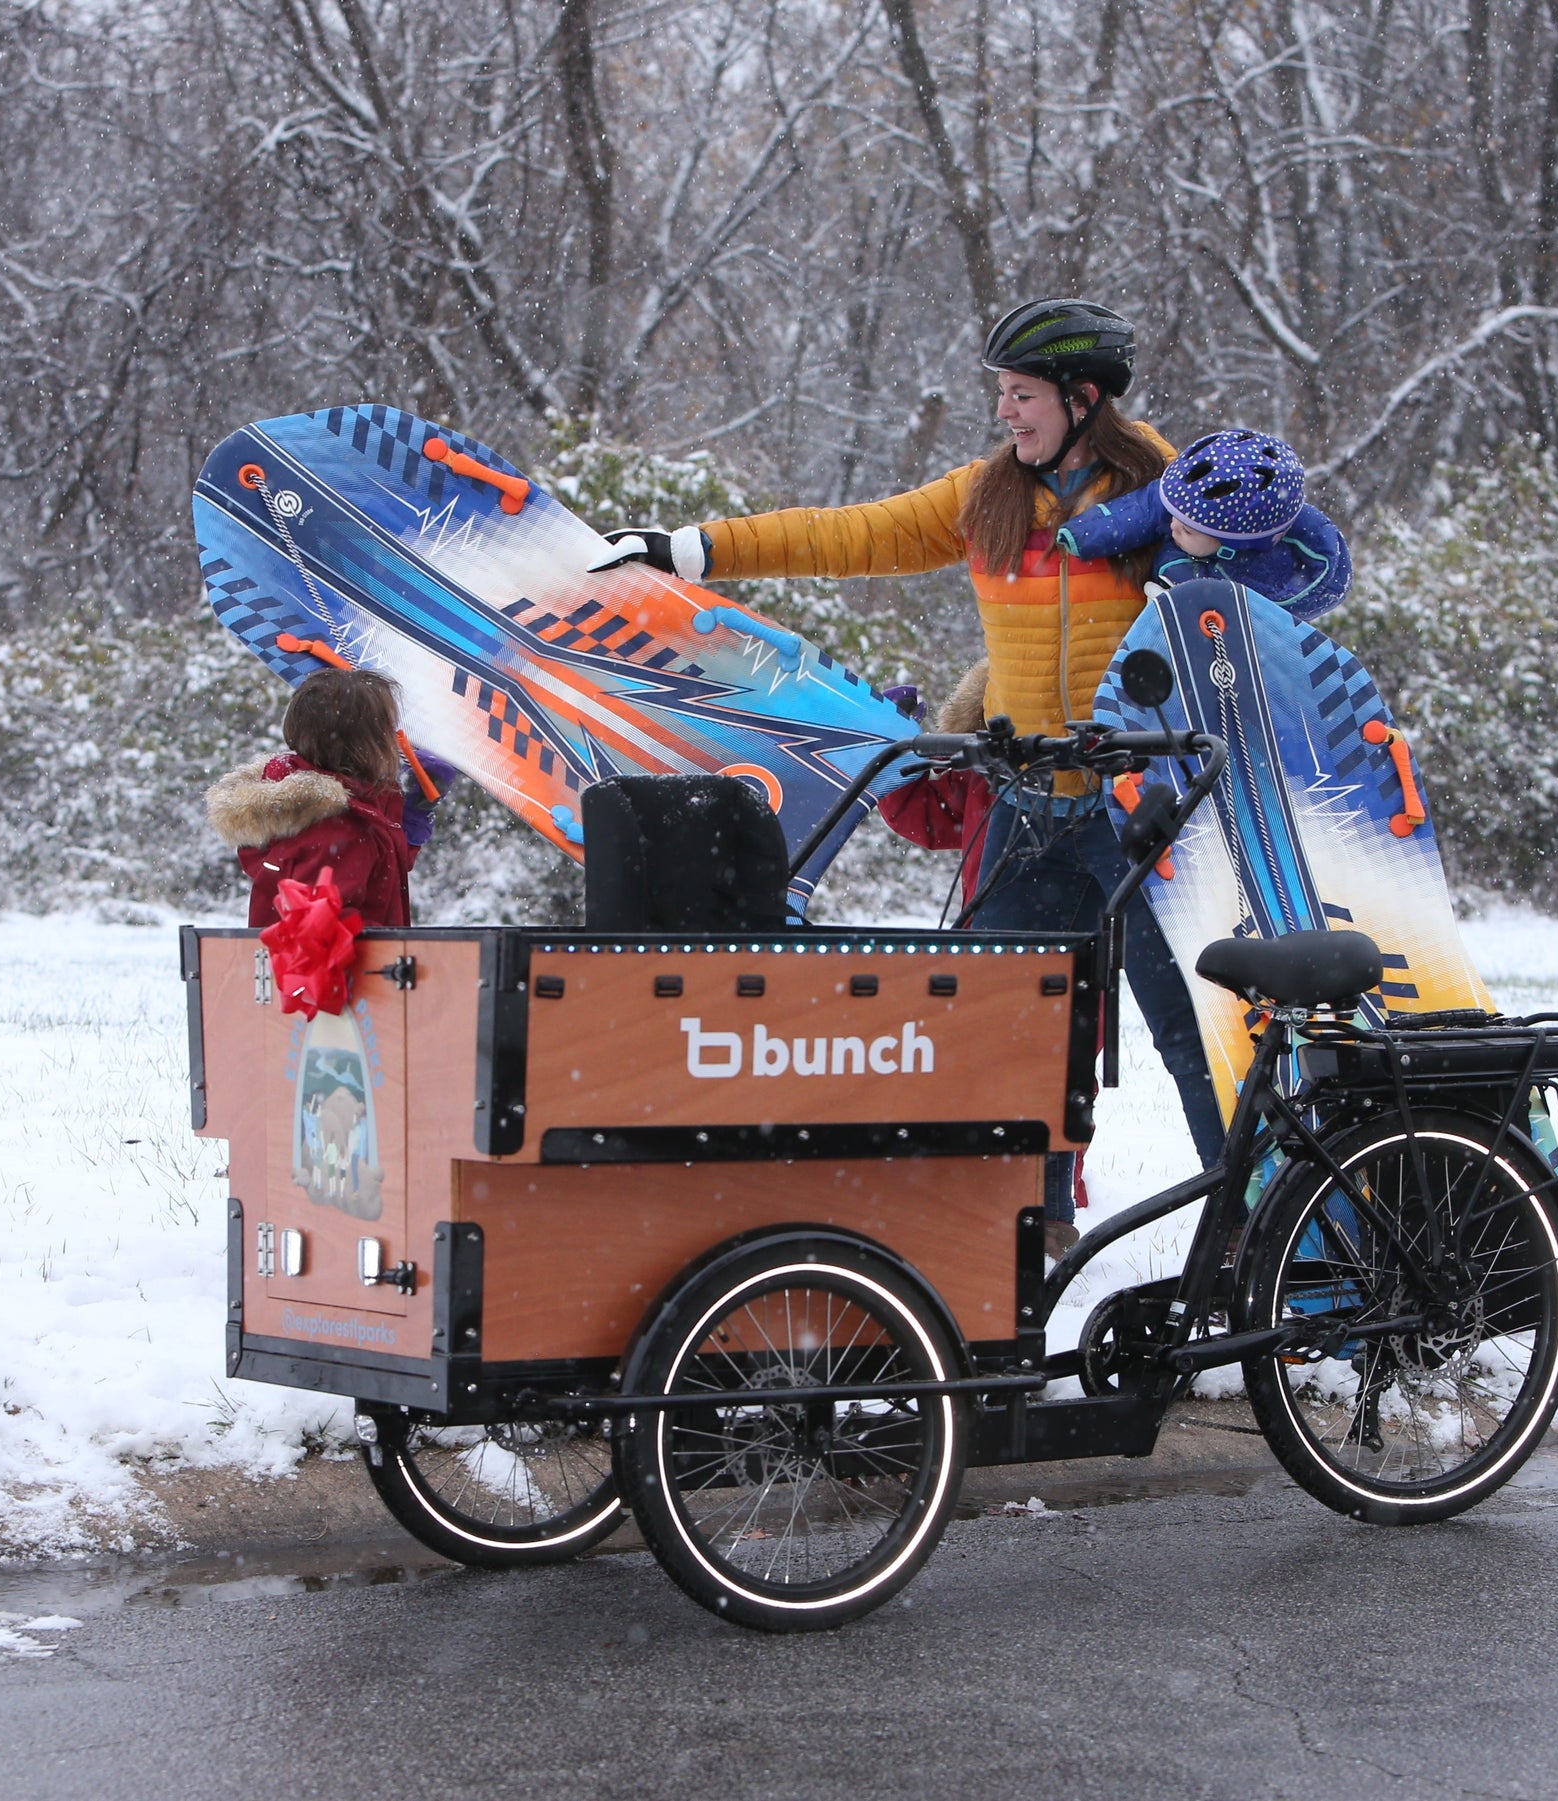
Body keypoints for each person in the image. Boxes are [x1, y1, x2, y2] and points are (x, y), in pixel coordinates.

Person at [591, 298, 1227, 1258]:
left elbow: (1261, 573)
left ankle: (1258, 1228)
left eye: (1022, 396)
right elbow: (844, 536)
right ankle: (1025, 1226)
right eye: (1002, 397)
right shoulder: (988, 499)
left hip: (1141, 809)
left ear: (1083, 397)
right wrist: (689, 551)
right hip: (1025, 806)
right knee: (1007, 1028)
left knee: (1190, 1031)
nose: (1007, 415)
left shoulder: (1161, 494)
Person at [207, 667, 451, 928]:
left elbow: (380, 871)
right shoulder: (337, 831)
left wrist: (412, 815)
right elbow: (323, 936)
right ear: (364, 746)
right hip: (347, 969)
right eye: (389, 730)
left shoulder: (337, 804)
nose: (397, 741)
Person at [1055, 428, 1351, 618]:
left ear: (1232, 546)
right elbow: (1140, 509)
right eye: (1174, 515)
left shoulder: (1267, 574)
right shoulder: (1189, 498)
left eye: (1187, 530)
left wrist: (1182, 600)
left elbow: (1258, 625)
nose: (1173, 526)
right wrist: (1083, 533)